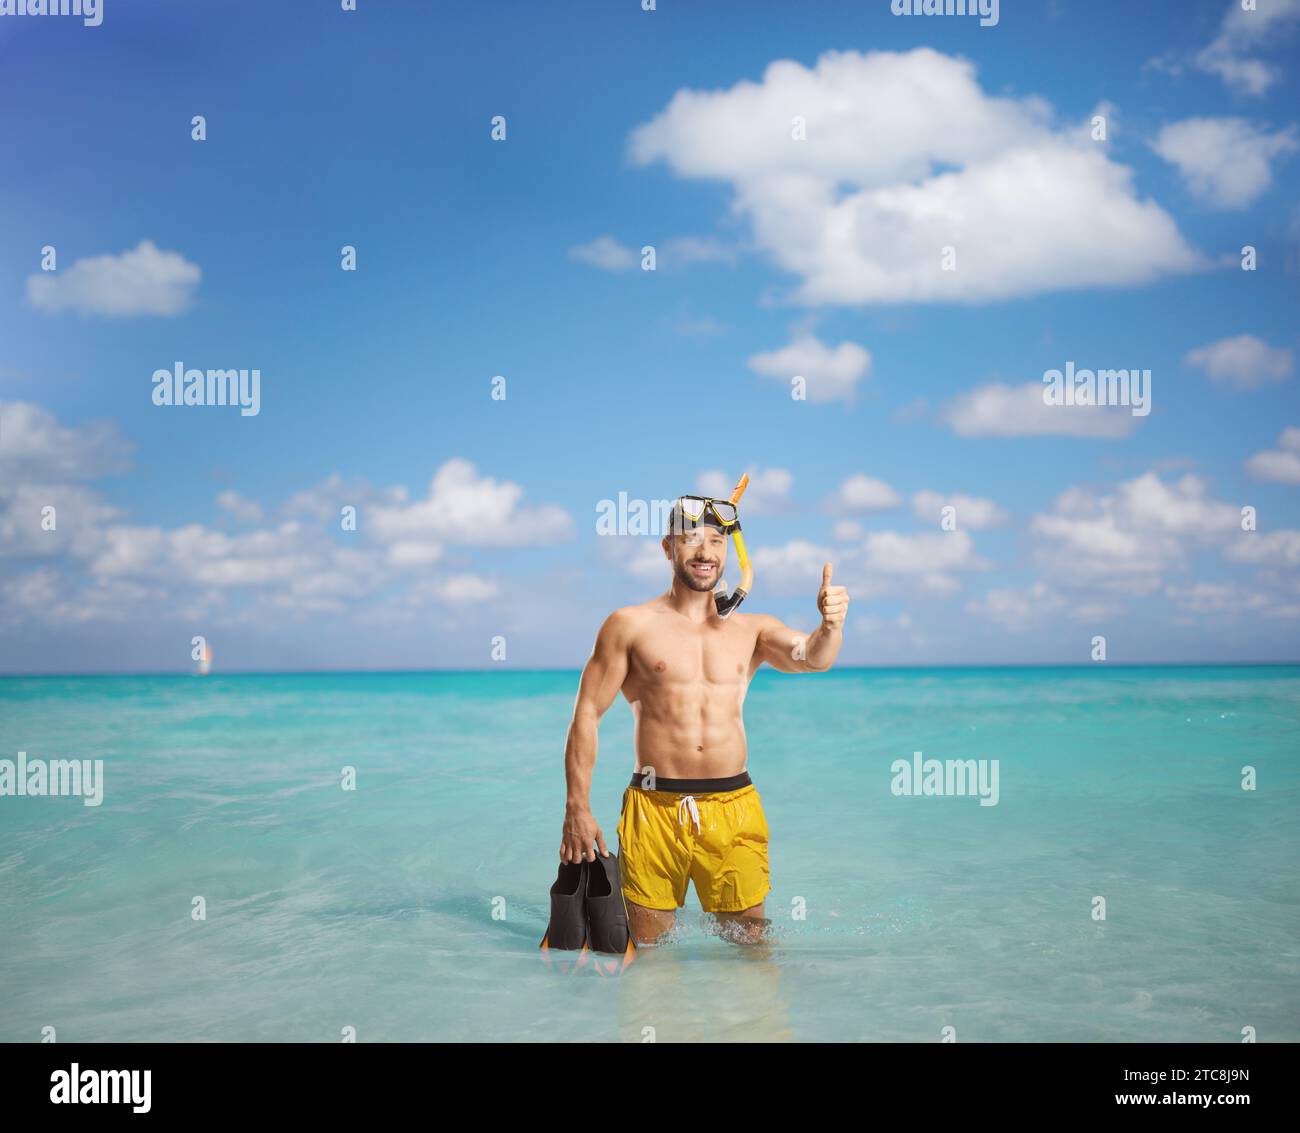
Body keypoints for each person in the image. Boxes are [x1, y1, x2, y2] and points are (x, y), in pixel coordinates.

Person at [559, 496, 849, 945]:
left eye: (716, 540)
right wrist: (577, 806)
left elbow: (811, 658)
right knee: (649, 954)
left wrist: (830, 627)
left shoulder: (751, 629)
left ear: (728, 552)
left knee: (752, 948)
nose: (705, 551)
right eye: (691, 539)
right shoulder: (629, 625)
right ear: (667, 548)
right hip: (653, 811)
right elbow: (587, 713)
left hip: (733, 807)